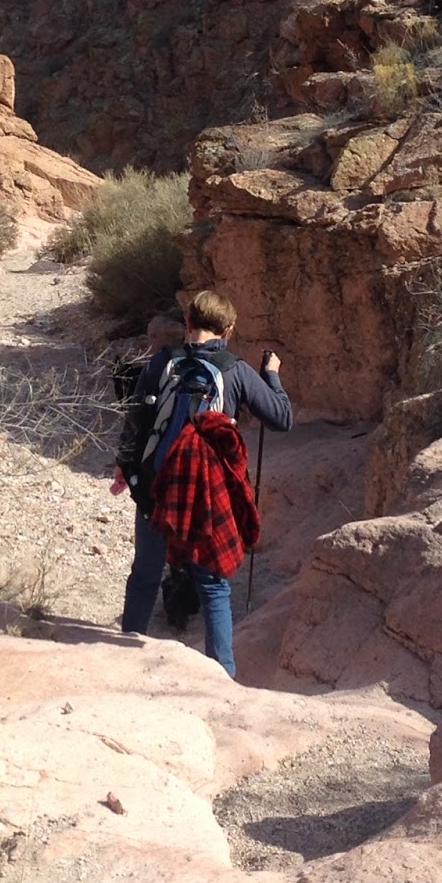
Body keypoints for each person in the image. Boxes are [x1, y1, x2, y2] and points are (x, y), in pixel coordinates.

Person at [114, 290, 292, 677]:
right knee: (212, 584)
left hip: (156, 487)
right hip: (205, 492)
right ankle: (222, 677)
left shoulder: (161, 362)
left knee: (145, 572)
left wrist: (124, 465)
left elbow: (138, 419)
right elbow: (282, 418)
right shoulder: (236, 370)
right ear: (228, 329)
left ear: (189, 323)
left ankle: (125, 656)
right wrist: (272, 375)